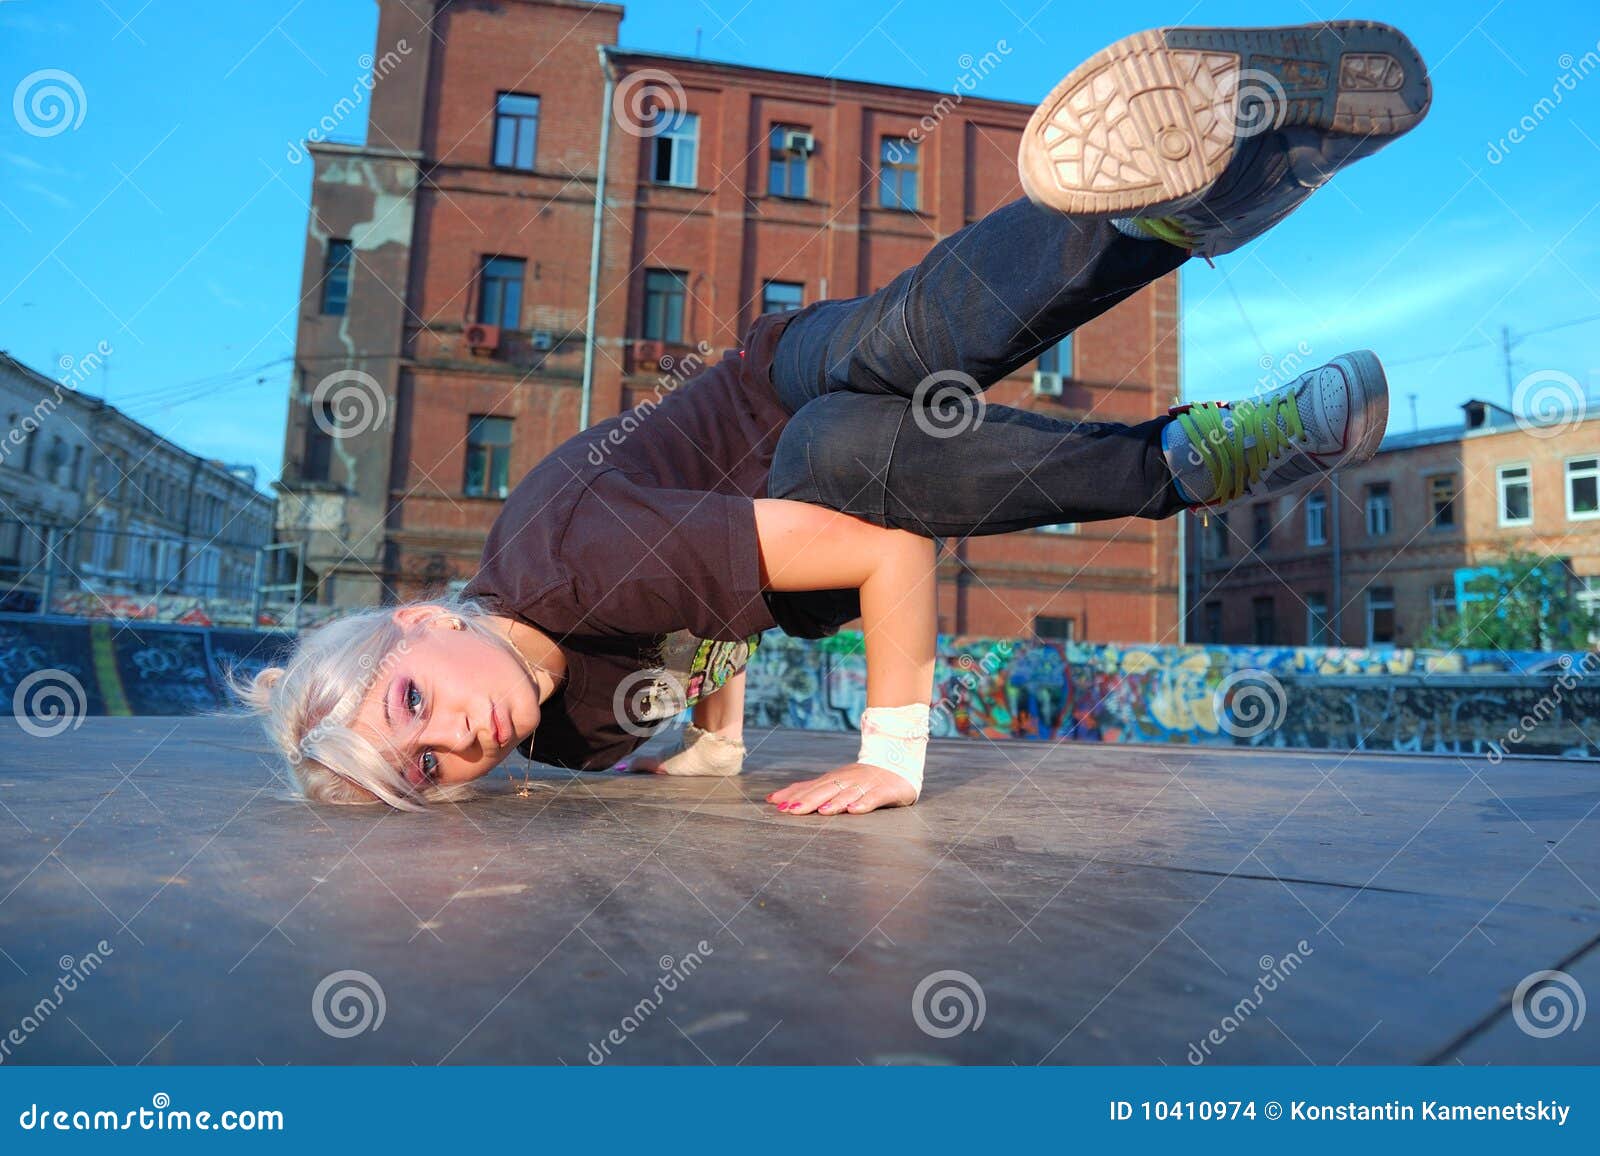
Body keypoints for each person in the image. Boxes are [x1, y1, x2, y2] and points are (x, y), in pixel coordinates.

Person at [239, 21, 1430, 815]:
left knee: (880, 374)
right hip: (812, 484)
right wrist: (708, 741)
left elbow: (879, 552)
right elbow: (701, 626)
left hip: (777, 385)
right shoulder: (557, 734)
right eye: (428, 771)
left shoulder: (569, 564)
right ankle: (1178, 254)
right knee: (849, 456)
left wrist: (890, 754)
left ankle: (1166, 248)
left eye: (413, 705)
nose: (458, 740)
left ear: (413, 620)